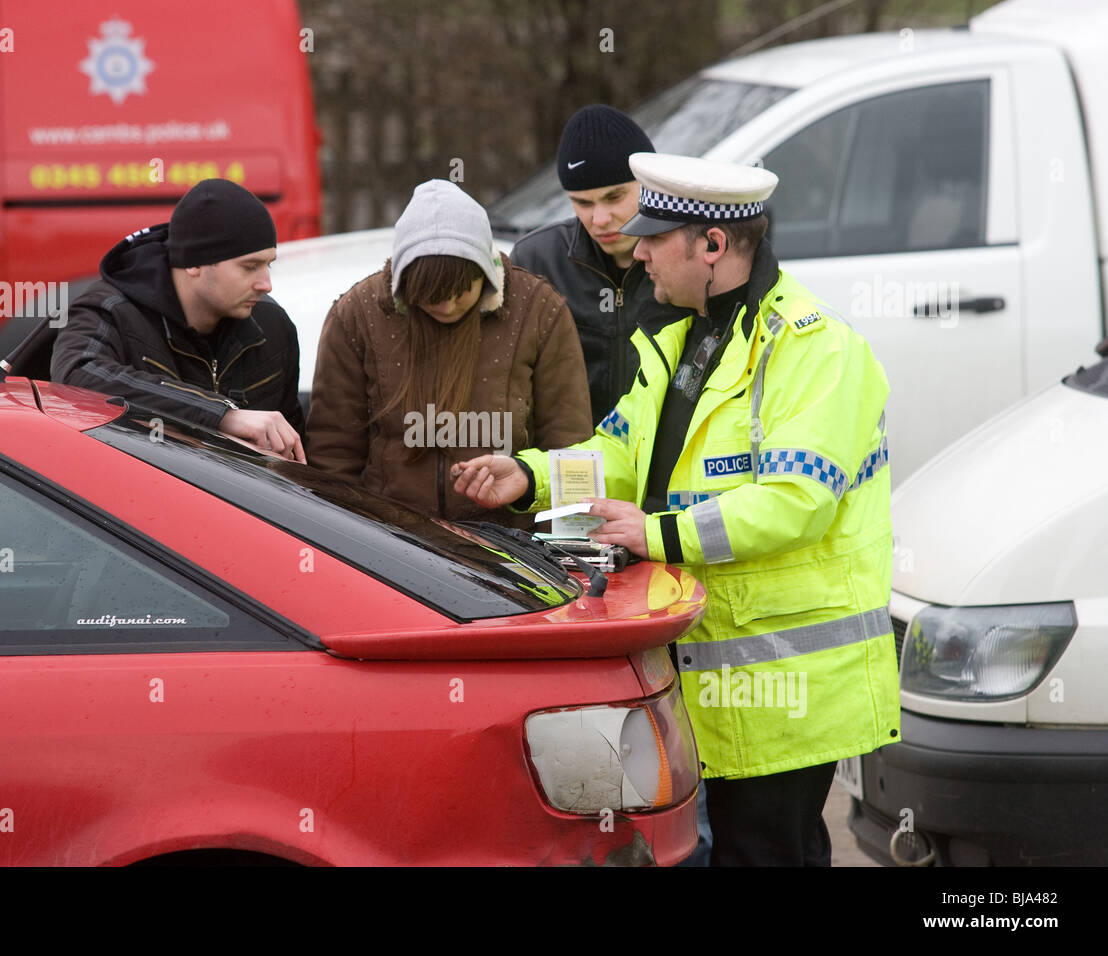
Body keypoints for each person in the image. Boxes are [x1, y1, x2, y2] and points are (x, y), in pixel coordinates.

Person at [452, 153, 900, 866]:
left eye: (656, 237)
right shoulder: (681, 340)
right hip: (714, 674)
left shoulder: (815, 350)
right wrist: (528, 477)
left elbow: (795, 504)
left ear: (713, 247)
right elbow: (619, 454)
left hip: (791, 689)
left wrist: (658, 533)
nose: (639, 249)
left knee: (767, 853)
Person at [306, 179, 592, 522]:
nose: (447, 305)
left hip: (511, 548)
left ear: (485, 275)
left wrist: (568, 548)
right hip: (388, 542)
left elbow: (569, 447)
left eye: (461, 291)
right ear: (406, 282)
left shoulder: (537, 311)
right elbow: (335, 452)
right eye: (431, 294)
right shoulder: (359, 315)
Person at [52, 178, 306, 461]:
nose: (266, 284)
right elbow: (76, 375)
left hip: (240, 500)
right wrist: (222, 415)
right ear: (194, 263)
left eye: (268, 264)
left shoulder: (272, 326)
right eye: (249, 267)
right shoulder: (112, 310)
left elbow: (295, 448)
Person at [512, 105, 692, 427]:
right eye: (582, 203)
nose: (599, 220)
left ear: (648, 183)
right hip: (568, 464)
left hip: (668, 466)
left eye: (614, 197)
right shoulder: (535, 261)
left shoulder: (689, 256)